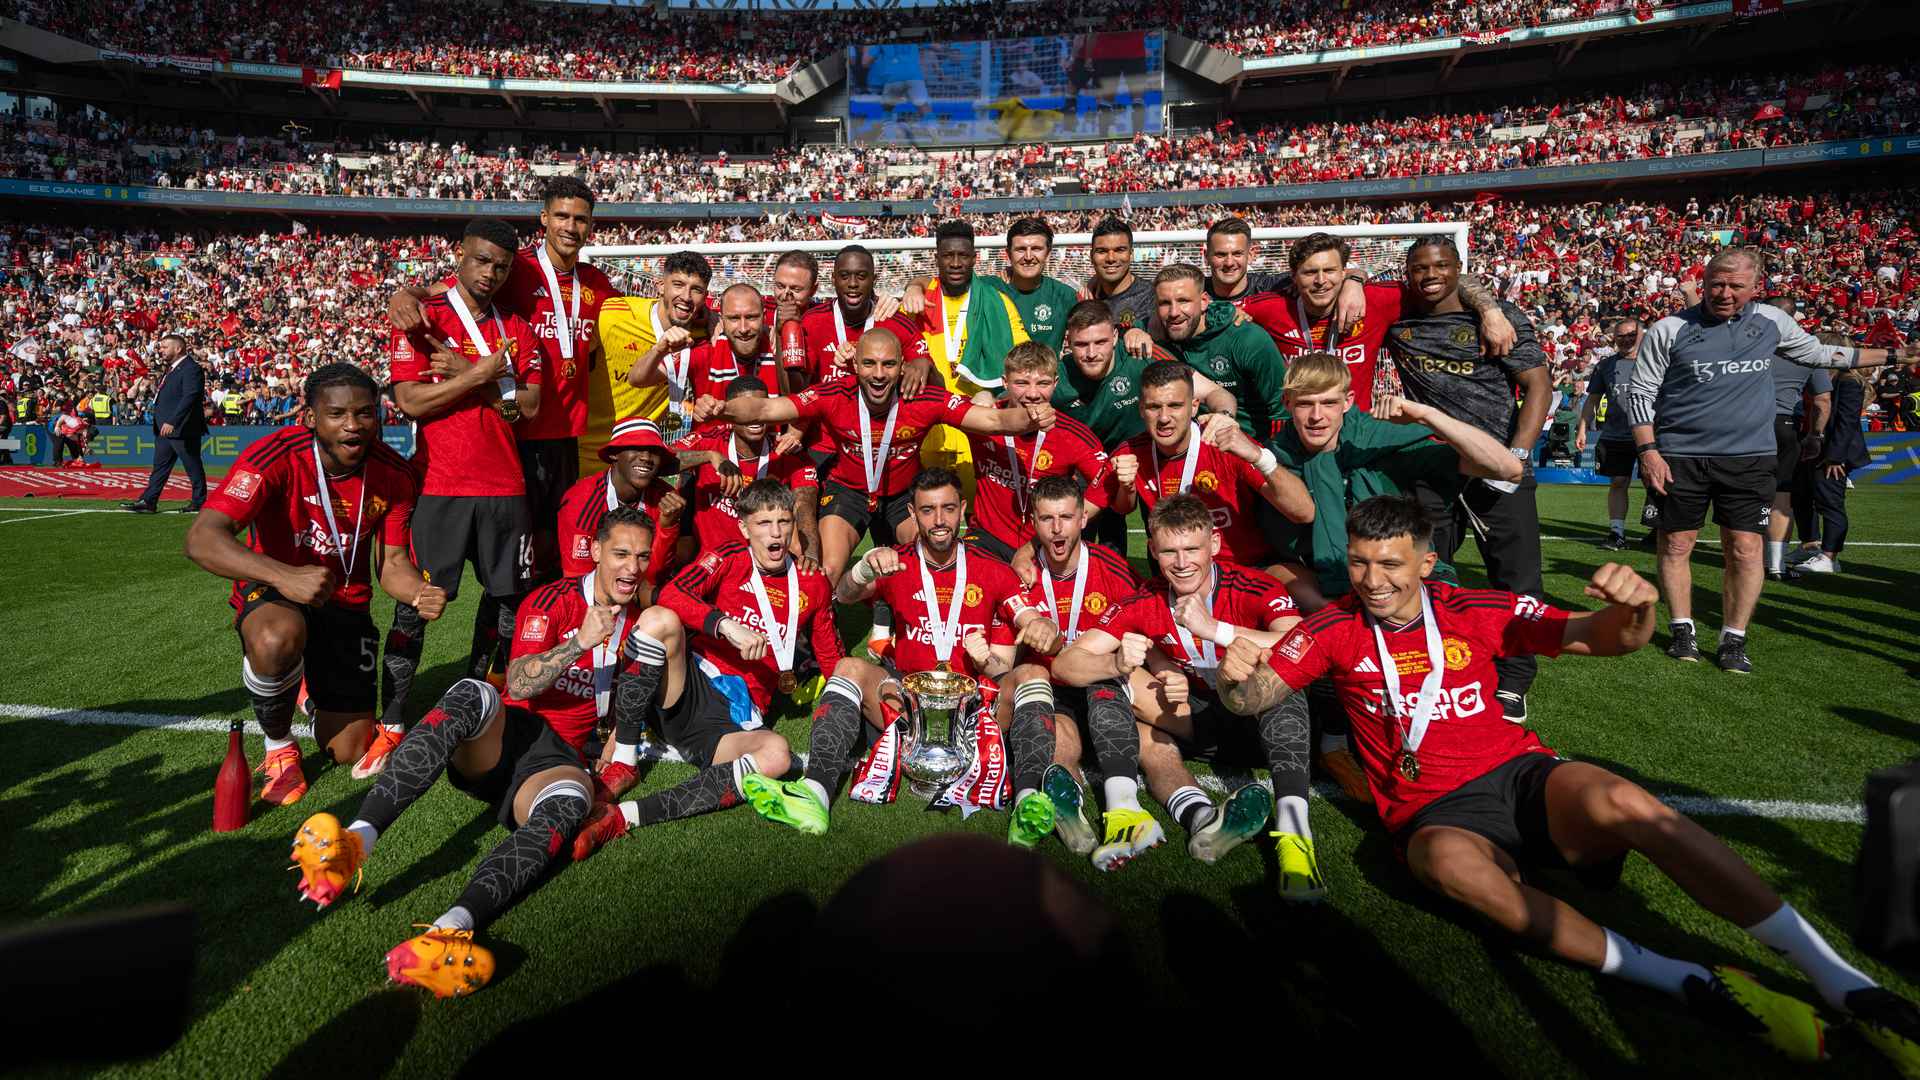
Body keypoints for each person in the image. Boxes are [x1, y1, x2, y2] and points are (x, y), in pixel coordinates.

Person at [1216, 494, 1920, 1074]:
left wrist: (1636, 609)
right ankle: (1687, 982)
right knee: (1448, 866)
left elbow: (1599, 637)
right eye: (1362, 563)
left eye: (1391, 564)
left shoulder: (1475, 609)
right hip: (1433, 813)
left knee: (1623, 799)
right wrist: (1236, 674)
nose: (1373, 580)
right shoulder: (1333, 626)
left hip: (1520, 776)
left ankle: (1843, 982)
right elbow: (1254, 698)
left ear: (1427, 562)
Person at [284, 506, 657, 998]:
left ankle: (450, 930)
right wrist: (579, 644)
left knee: (569, 802)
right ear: (597, 554)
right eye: (622, 554)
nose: (632, 567)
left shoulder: (649, 616)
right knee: (470, 692)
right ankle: (356, 841)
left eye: (643, 557)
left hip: (557, 763)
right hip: (510, 733)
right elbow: (520, 680)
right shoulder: (554, 599)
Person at [1626, 247, 1909, 674]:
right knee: (1677, 544)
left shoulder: (1773, 322)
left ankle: (1733, 638)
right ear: (1703, 284)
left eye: (1735, 286)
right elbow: (1640, 392)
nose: (1724, 293)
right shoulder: (1669, 329)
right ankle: (1682, 628)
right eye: (1715, 284)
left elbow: (1821, 354)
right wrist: (1648, 452)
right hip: (1679, 456)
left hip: (1750, 459)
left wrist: (1896, 355)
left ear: (1756, 286)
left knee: (1743, 549)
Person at [185, 364, 444, 802]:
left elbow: (392, 565)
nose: (353, 426)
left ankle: (303, 688)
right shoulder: (276, 455)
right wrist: (284, 576)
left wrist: (418, 590)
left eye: (365, 414)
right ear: (310, 418)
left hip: (347, 606)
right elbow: (202, 539)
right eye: (337, 414)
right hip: (276, 592)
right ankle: (279, 745)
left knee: (349, 749)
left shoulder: (394, 475)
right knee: (275, 638)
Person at [765, 467, 1061, 845]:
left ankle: (1027, 802)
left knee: (1033, 673)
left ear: (963, 510)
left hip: (976, 714)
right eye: (928, 510)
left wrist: (1039, 625)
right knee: (849, 667)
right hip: (905, 708)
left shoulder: (993, 570)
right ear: (912, 513)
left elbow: (1026, 621)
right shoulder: (896, 561)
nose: (939, 520)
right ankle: (815, 794)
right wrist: (863, 567)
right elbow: (844, 593)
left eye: (948, 509)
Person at [1051, 494, 1320, 897]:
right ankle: (1143, 813)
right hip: (1195, 722)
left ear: (1213, 545)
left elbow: (1305, 645)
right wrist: (1117, 664)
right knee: (1108, 680)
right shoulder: (1147, 599)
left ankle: (1296, 837)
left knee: (1279, 682)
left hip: (1261, 725)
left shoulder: (1253, 585)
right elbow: (1065, 663)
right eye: (1169, 551)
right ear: (1153, 550)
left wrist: (1217, 630)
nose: (1182, 562)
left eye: (1192, 548)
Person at [572, 480, 835, 851]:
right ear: (744, 528)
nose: (775, 533)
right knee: (659, 619)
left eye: (784, 522)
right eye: (763, 523)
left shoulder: (814, 582)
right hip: (688, 684)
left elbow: (831, 659)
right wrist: (725, 626)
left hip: (734, 718)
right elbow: (670, 592)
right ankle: (626, 761)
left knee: (777, 754)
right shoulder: (729, 557)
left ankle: (624, 816)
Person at [386, 177, 620, 587]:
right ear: (544, 219)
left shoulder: (596, 283)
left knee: (550, 550)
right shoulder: (518, 267)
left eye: (580, 219)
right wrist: (407, 294)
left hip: (567, 435)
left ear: (591, 226)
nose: (570, 227)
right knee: (516, 565)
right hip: (517, 435)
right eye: (561, 216)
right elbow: (455, 287)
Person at [689, 328, 1055, 584]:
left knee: (936, 553)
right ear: (856, 364)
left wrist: (1032, 416)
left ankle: (904, 629)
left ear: (902, 366)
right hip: (847, 490)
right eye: (869, 364)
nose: (878, 375)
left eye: (888, 365)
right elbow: (769, 410)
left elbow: (992, 419)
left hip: (901, 496)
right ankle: (813, 649)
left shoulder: (923, 398)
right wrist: (722, 408)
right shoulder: (834, 393)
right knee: (827, 570)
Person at [1387, 233, 1552, 722]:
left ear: (1458, 267)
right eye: (1420, 268)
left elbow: (1537, 388)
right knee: (1426, 572)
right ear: (1408, 273)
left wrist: (1515, 459)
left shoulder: (1498, 318)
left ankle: (1515, 680)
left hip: (1496, 465)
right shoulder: (1400, 318)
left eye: (1441, 265)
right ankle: (1441, 668)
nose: (1431, 275)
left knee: (1516, 580)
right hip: (1432, 467)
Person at [385, 216, 542, 728]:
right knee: (417, 603)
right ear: (459, 254)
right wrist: (482, 373)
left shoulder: (516, 329)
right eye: (481, 260)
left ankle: (472, 698)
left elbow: (530, 409)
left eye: (500, 266)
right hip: (440, 484)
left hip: (505, 484)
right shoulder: (422, 318)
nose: (490, 273)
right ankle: (390, 720)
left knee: (504, 602)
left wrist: (476, 380)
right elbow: (410, 401)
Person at [1010, 474, 1143, 855]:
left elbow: (1143, 622)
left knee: (1105, 691)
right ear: (1033, 524)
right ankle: (1072, 812)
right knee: (1061, 742)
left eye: (1066, 517)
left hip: (1101, 679)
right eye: (1047, 519)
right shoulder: (1021, 575)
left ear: (1084, 518)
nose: (1057, 529)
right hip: (1051, 688)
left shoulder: (1112, 568)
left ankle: (1122, 808)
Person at [1241, 232, 1515, 414]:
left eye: (1330, 271)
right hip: (1293, 434)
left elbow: (1445, 284)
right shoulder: (1269, 307)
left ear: (1343, 272)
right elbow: (1217, 313)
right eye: (1310, 272)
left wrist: (1490, 310)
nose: (1321, 280)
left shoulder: (1377, 301)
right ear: (1294, 276)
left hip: (1355, 437)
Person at [1050, 299, 1236, 551]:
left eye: (1100, 342)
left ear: (1115, 336)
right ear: (1067, 341)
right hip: (1085, 471)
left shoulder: (1141, 355)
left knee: (1152, 537)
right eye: (1081, 345)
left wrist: (1224, 415)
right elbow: (1015, 404)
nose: (1092, 353)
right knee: (1073, 539)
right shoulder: (1057, 378)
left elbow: (1213, 392)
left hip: (1143, 463)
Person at [1107, 359, 1313, 569]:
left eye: (1175, 406)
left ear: (1194, 406)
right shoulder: (1130, 453)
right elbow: (1121, 507)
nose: (1164, 418)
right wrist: (1127, 487)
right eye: (1153, 407)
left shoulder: (1225, 443)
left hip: (1248, 570)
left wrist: (1260, 458)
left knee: (1306, 591)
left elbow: (1304, 512)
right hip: (1181, 576)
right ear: (1141, 409)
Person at [961, 341, 1111, 560]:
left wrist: (1073, 519)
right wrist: (979, 397)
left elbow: (1108, 483)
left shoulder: (1071, 434)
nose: (1033, 394)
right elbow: (938, 408)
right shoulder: (982, 419)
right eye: (1021, 383)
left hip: (1043, 543)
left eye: (1043, 383)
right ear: (1005, 382)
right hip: (987, 539)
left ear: (1055, 383)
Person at [671, 375, 820, 562]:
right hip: (710, 562)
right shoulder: (710, 440)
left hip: (763, 565)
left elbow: (805, 507)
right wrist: (709, 456)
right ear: (731, 413)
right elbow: (662, 460)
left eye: (758, 408)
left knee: (801, 551)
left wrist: (811, 557)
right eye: (746, 411)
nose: (754, 418)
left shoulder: (787, 452)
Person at [589, 250, 712, 469]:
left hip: (638, 456)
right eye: (678, 284)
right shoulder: (615, 314)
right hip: (588, 449)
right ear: (660, 285)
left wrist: (714, 318)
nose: (686, 296)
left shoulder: (702, 336)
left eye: (696, 290)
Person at [1151, 263, 1290, 440]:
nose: (1174, 312)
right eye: (1164, 303)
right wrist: (1135, 332)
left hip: (1248, 446)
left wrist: (1270, 459)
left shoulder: (1246, 339)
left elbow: (1281, 410)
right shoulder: (1155, 333)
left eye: (1183, 301)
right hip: (1191, 448)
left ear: (1204, 301)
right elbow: (1113, 332)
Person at [556, 418, 684, 588]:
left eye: (654, 451)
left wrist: (667, 527)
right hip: (596, 596)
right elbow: (578, 580)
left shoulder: (666, 497)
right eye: (636, 448)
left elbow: (657, 575)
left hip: (644, 589)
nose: (646, 457)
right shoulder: (581, 500)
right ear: (614, 454)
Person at [1763, 302, 1833, 580]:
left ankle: (1745, 556)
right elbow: (1822, 400)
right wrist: (1816, 435)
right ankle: (1776, 566)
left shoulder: (1746, 341)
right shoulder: (1806, 347)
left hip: (1745, 423)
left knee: (1743, 493)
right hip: (1785, 425)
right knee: (1781, 497)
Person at [1790, 346, 1873, 577]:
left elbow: (1846, 423)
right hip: (1812, 448)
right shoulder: (1822, 378)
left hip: (1832, 453)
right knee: (1801, 498)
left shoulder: (1848, 383)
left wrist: (1835, 457)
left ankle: (1829, 557)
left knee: (1829, 503)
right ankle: (1810, 546)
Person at [1575, 318, 1647, 551]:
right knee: (1618, 482)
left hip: (1651, 434)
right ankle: (1616, 533)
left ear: (1641, 335)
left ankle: (1659, 530)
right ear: (1613, 339)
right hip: (1616, 434)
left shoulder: (1656, 361)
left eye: (1631, 334)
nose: (1626, 339)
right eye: (1620, 336)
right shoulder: (1605, 366)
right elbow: (1593, 400)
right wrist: (1583, 428)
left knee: (1655, 483)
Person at [122, 333, 207, 513]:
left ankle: (199, 502)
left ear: (178, 348)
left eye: (165, 347)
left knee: (192, 466)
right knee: (160, 467)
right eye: (160, 347)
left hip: (181, 428)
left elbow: (190, 397)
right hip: (164, 428)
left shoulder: (191, 368)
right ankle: (148, 501)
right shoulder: (171, 369)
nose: (160, 350)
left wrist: (173, 421)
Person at [980, 217, 1080, 353]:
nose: (1028, 257)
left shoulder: (1065, 295)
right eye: (1020, 249)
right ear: (1008, 254)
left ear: (1048, 253)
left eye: (1036, 249)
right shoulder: (988, 288)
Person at [1078, 217, 1158, 351]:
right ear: (1091, 256)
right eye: (1102, 251)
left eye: (1120, 250)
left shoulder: (1152, 296)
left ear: (1131, 254)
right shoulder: (1082, 298)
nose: (1111, 258)